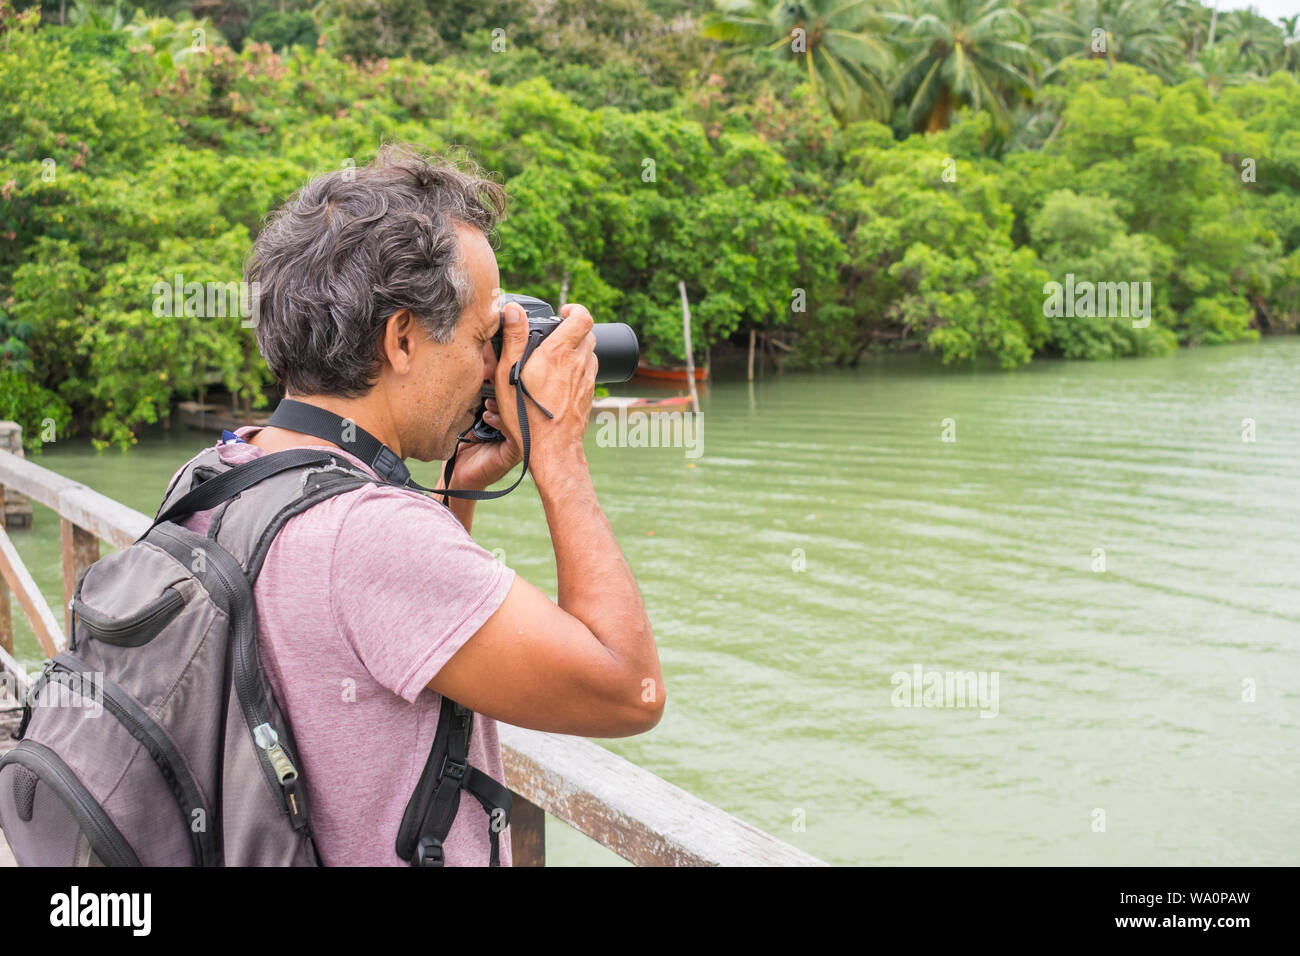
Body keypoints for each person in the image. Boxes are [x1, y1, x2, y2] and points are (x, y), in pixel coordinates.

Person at [168, 144, 666, 865]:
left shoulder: (219, 470)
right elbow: (630, 690)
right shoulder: (369, 538)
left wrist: (456, 487)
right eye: (480, 337)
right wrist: (559, 455)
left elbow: (392, 634)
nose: (489, 366)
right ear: (403, 339)